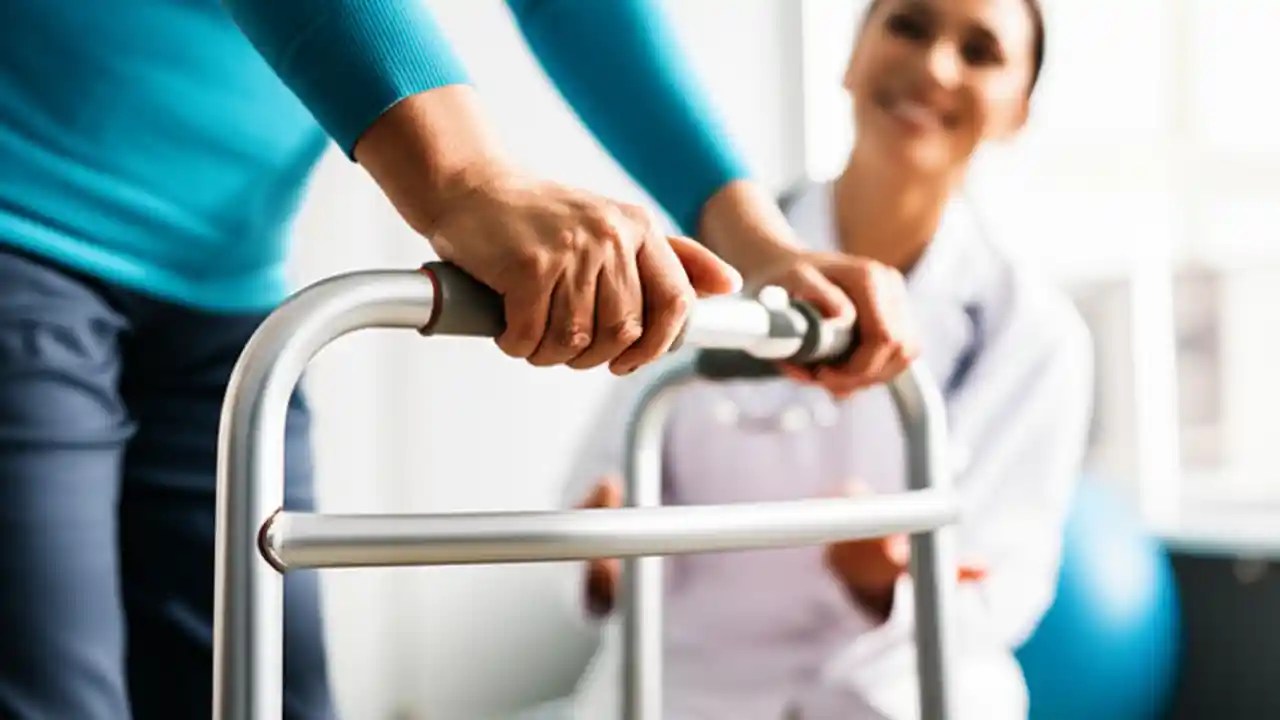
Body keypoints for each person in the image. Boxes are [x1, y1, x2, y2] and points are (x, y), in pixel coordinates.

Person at [0, 2, 919, 719]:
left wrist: (762, 245)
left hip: (226, 288)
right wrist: (470, 181)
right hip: (21, 227)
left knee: (268, 693)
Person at [559, 0, 1094, 717]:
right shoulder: (708, 270)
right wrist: (601, 561)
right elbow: (590, 499)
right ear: (850, 57)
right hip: (686, 685)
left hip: (882, 689)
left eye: (980, 52)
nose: (935, 64)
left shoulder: (1033, 333)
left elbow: (1006, 587)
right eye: (909, 26)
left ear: (1018, 111)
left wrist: (889, 578)